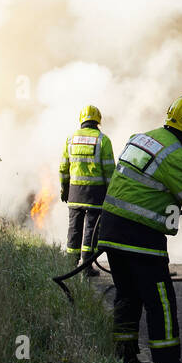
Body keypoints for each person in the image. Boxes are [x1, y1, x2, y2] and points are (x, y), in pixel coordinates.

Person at [97, 94, 182, 363]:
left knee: (128, 295)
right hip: (140, 235)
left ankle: (126, 358)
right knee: (160, 298)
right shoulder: (177, 156)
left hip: (111, 228)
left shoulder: (141, 138)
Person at [59, 105, 115, 276]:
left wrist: (64, 188)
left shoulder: (71, 139)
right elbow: (109, 170)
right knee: (91, 230)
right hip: (95, 195)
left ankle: (70, 266)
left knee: (74, 229)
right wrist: (110, 193)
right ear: (98, 121)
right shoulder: (102, 140)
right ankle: (87, 267)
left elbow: (63, 167)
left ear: (82, 120)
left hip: (74, 193)